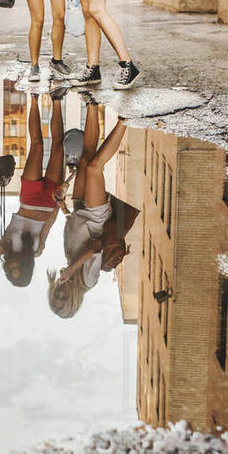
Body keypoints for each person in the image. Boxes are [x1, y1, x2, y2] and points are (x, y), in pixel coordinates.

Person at [0, 88, 70, 285]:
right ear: (26, 267)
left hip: (29, 199)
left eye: (10, 269)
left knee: (37, 146)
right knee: (58, 147)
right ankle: (56, 99)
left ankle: (34, 98)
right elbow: (48, 225)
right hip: (49, 202)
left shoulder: (4, 247)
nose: (13, 265)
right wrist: (59, 202)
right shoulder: (37, 251)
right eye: (18, 268)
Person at [47, 102, 136, 318]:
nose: (60, 294)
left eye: (56, 296)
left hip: (78, 206)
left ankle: (92, 104)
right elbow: (94, 247)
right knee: (95, 167)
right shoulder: (88, 280)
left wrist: (63, 207)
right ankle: (125, 121)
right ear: (74, 300)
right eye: (64, 299)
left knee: (86, 157)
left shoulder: (68, 261)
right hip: (96, 216)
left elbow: (75, 231)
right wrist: (73, 268)